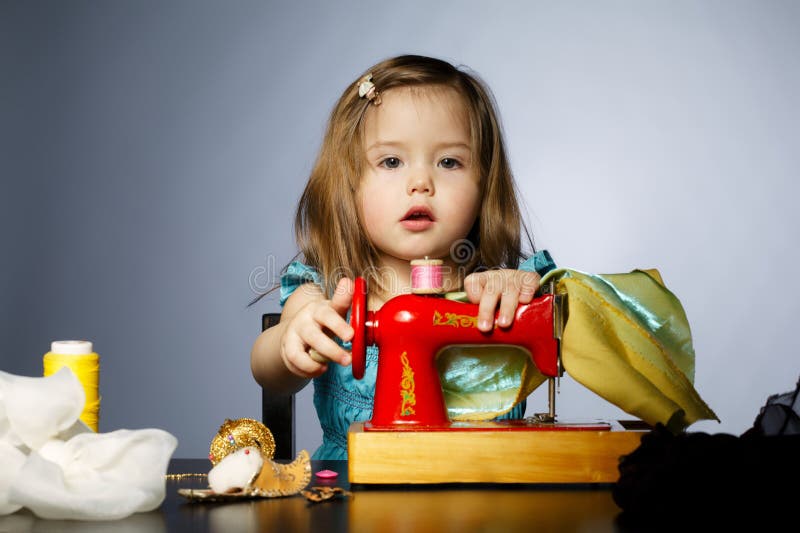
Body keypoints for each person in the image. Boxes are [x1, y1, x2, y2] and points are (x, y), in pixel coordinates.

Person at [251, 55, 556, 459]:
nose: (420, 183)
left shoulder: (504, 292)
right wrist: (293, 340)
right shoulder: (326, 294)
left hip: (487, 498)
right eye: (391, 161)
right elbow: (266, 367)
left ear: (484, 182)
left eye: (449, 162)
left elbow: (577, 319)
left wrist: (523, 296)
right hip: (355, 497)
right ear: (350, 183)